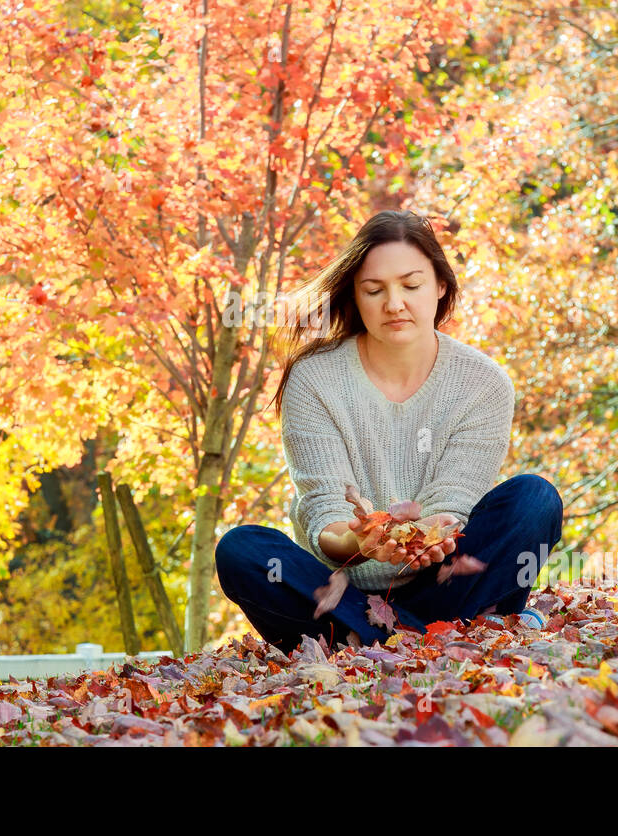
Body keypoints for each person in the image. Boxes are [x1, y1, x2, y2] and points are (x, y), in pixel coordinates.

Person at [214, 210, 564, 654]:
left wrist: (426, 536)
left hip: (445, 584)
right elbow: (324, 514)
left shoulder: (483, 383)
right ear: (355, 298)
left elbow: (453, 503)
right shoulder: (315, 378)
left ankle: (375, 644)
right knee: (242, 549)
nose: (394, 303)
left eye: (411, 285)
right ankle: (440, 638)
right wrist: (361, 542)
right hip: (341, 593)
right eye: (374, 290)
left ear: (440, 286)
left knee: (535, 499)